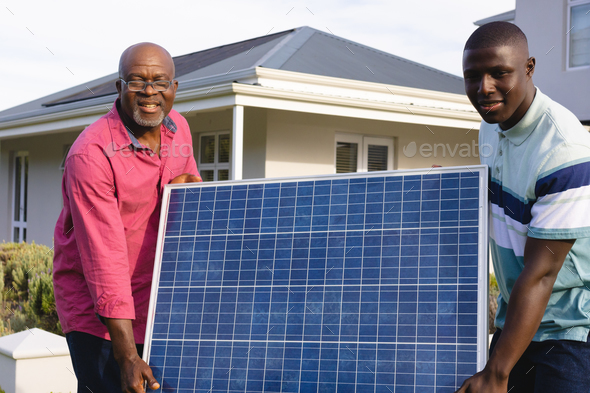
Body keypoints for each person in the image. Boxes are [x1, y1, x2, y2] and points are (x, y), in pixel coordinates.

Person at [53, 42, 201, 393]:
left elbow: (190, 192)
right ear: (120, 87)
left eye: (159, 81)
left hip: (155, 301)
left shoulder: (178, 128)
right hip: (99, 316)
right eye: (136, 81)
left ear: (174, 88)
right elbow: (105, 261)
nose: (149, 92)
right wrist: (126, 355)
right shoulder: (91, 155)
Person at [457, 21, 590, 392]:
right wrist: (460, 187)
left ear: (529, 68)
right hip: (518, 317)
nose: (484, 89)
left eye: (499, 73)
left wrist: (498, 372)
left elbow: (542, 272)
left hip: (570, 332)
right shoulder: (492, 123)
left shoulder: (564, 150)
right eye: (472, 76)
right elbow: (508, 191)